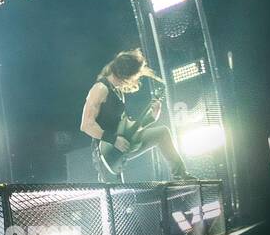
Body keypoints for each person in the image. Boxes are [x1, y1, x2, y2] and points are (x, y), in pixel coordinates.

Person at [79, 48, 196, 181]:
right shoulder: (100, 89)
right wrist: (114, 140)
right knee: (115, 194)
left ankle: (181, 176)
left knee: (162, 133)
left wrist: (151, 118)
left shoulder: (117, 91)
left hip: (122, 142)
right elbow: (86, 125)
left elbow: (126, 128)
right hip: (106, 151)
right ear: (125, 76)